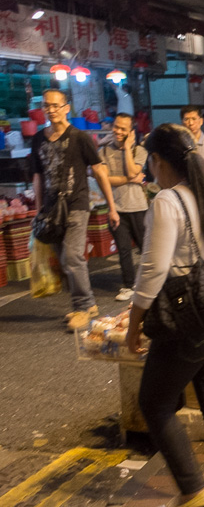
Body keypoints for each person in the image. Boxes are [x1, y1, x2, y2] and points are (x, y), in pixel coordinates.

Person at [124, 124, 204, 507]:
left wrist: (134, 324)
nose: (150, 169)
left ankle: (194, 490)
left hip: (188, 320)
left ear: (159, 160)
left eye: (150, 162)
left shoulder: (167, 200)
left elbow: (153, 269)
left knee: (154, 403)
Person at [30, 89, 120, 332]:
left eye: (56, 105)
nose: (51, 110)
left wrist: (112, 207)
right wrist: (39, 210)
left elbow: (99, 171)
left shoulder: (80, 137)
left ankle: (83, 306)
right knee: (64, 260)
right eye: (47, 106)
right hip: (51, 210)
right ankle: (86, 304)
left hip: (77, 206)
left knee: (72, 257)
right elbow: (38, 176)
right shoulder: (38, 139)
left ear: (67, 108)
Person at [98, 113, 148, 302]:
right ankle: (129, 285)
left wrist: (127, 148)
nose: (118, 131)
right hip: (116, 208)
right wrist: (130, 179)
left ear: (131, 132)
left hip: (139, 207)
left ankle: (152, 282)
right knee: (124, 250)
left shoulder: (139, 150)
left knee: (146, 248)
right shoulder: (104, 151)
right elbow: (104, 179)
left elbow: (134, 170)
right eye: (116, 127)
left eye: (123, 129)